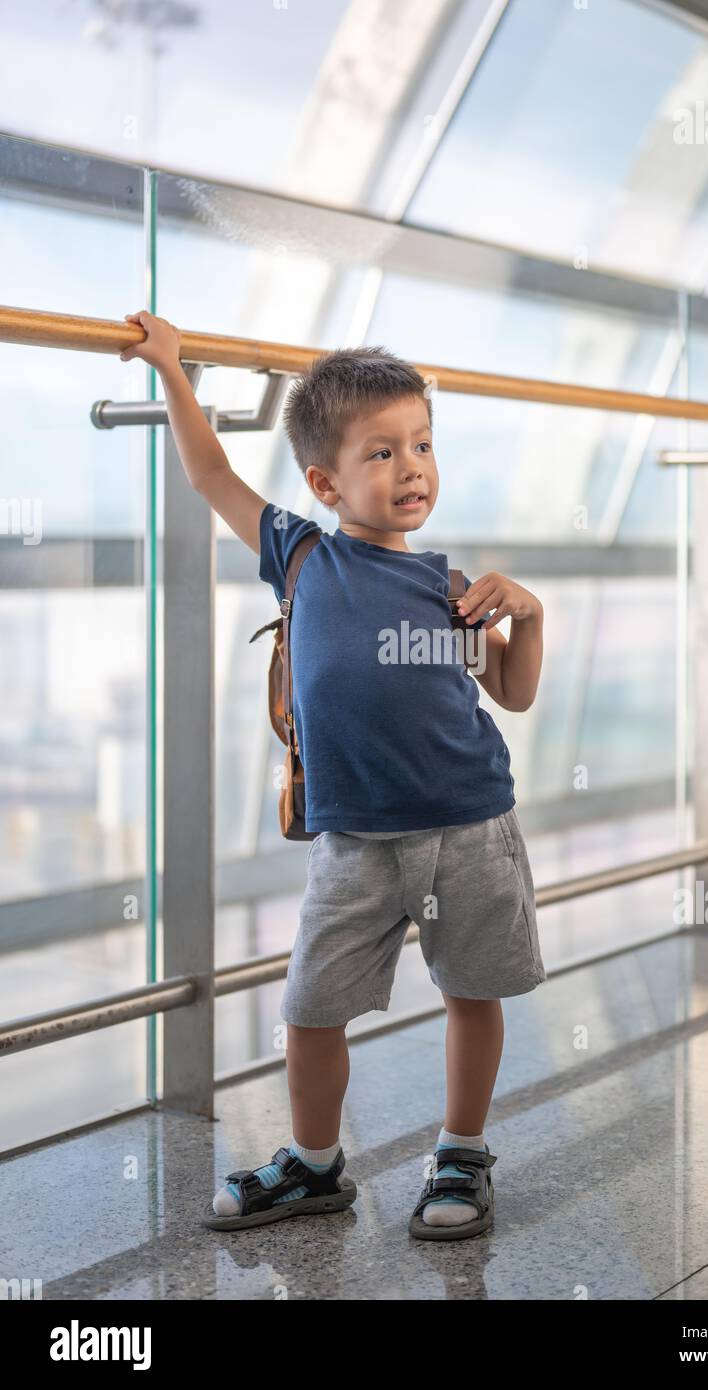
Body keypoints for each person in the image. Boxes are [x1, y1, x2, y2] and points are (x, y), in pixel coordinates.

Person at [120, 310, 546, 1241]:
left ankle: (461, 1154)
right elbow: (208, 473)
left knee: (471, 994)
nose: (413, 468)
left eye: (423, 446)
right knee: (311, 1009)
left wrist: (531, 617)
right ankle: (315, 1167)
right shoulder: (301, 555)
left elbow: (509, 692)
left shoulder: (449, 586)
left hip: (470, 824)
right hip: (355, 842)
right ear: (326, 481)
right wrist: (173, 369)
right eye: (383, 453)